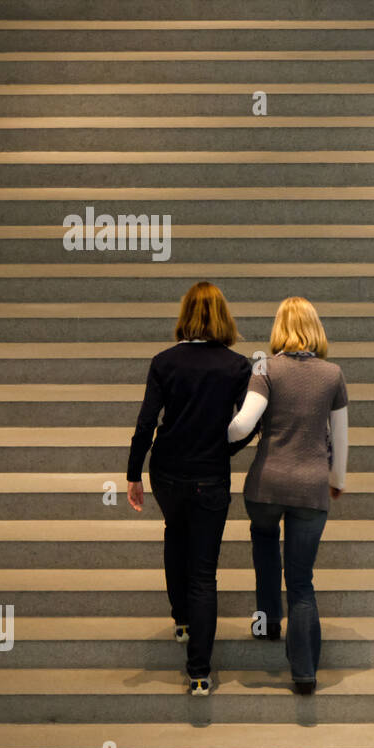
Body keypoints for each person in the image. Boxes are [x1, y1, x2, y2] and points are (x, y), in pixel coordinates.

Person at [126, 281, 252, 697]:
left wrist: (133, 474)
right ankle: (199, 673)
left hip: (167, 473)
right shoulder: (236, 366)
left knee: (173, 537)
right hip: (210, 477)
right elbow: (246, 425)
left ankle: (180, 619)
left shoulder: (164, 361)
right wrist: (226, 448)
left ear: (185, 316)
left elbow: (147, 423)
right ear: (222, 317)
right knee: (204, 574)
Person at [228, 297, 348, 694]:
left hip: (266, 485)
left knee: (264, 545)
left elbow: (241, 426)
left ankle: (268, 622)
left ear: (280, 327)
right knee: (301, 580)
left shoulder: (265, 369)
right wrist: (338, 480)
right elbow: (341, 440)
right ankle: (305, 672)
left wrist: (213, 431)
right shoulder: (333, 375)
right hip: (311, 486)